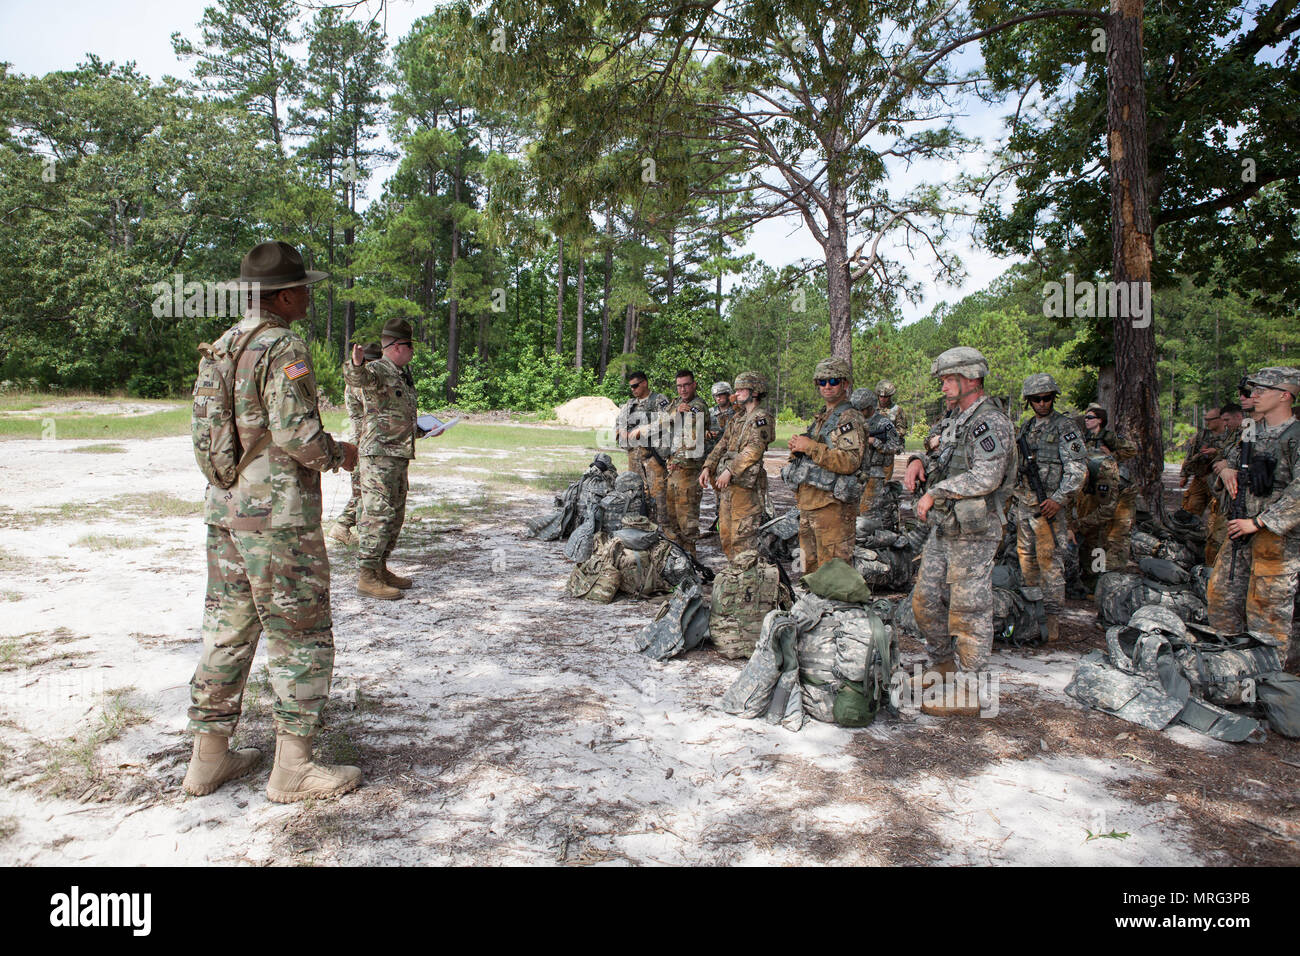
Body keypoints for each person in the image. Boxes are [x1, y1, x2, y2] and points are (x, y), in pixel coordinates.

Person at [184, 240, 362, 803]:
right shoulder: (283, 346)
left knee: (228, 627)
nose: (308, 295)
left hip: (227, 510)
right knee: (301, 630)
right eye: (304, 287)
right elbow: (297, 436)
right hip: (278, 519)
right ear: (285, 296)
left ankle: (208, 760)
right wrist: (340, 455)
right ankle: (293, 769)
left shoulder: (226, 343)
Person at [903, 347, 1015, 716]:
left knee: (969, 609)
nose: (944, 386)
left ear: (972, 379)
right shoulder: (954, 417)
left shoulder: (990, 422)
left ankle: (970, 690)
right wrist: (917, 461)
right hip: (947, 526)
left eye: (950, 379)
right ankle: (942, 666)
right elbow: (933, 448)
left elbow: (987, 476)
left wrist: (936, 491)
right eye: (943, 380)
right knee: (925, 599)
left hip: (975, 530)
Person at [1207, 367, 1300, 668]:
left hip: (1277, 541)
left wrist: (1259, 522)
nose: (1253, 395)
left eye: (1262, 390)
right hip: (1239, 534)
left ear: (1285, 395)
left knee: (1268, 616)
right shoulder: (1251, 431)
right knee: (1222, 602)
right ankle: (1229, 673)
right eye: (1253, 390)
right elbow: (1222, 461)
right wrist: (1225, 470)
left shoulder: (1295, 437)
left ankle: (1268, 686)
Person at [344, 318, 426, 601]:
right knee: (378, 514)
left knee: (395, 515)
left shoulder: (402, 373)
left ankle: (380, 567)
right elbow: (359, 379)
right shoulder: (377, 369)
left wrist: (421, 430)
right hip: (378, 455)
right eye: (409, 346)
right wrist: (356, 365)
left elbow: (396, 412)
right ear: (397, 346)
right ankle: (366, 575)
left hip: (397, 453)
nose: (412, 352)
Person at [1012, 373, 1086, 643]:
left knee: (1050, 564)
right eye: (1036, 399)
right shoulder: (1026, 428)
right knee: (1026, 560)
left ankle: (1052, 621)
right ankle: (1033, 615)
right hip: (1025, 503)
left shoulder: (1065, 427)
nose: (1042, 403)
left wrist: (1059, 498)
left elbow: (1077, 469)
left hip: (1049, 507)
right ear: (1029, 401)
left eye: (1046, 398)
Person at [784, 358, 866, 575]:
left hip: (832, 508)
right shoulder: (822, 418)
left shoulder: (849, 418)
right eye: (822, 382)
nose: (827, 386)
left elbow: (850, 461)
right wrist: (799, 449)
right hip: (809, 505)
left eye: (833, 381)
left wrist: (811, 447)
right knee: (809, 571)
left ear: (845, 384)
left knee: (833, 576)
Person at [701, 372, 776, 560]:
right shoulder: (738, 418)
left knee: (743, 540)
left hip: (746, 488)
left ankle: (747, 582)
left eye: (742, 389)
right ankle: (735, 579)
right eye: (737, 389)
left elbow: (754, 449)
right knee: (726, 536)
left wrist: (729, 470)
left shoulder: (762, 418)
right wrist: (708, 467)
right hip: (729, 488)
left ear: (755, 391)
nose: (738, 393)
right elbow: (722, 444)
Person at [329, 342, 382, 546]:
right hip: (362, 442)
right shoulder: (360, 384)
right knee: (363, 492)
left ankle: (343, 526)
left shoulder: (360, 381)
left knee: (364, 491)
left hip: (366, 441)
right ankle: (356, 532)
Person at [1080, 403, 1137, 578]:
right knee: (1092, 533)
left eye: (1090, 418)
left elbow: (1131, 449)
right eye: (1085, 418)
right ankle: (1091, 573)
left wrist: (1112, 456)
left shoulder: (1109, 436)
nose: (1086, 421)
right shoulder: (1086, 438)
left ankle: (1106, 573)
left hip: (1112, 487)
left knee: (1110, 534)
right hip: (1093, 487)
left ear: (1100, 420)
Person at [615, 372, 671, 525]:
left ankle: (662, 528)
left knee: (658, 495)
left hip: (653, 456)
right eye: (631, 387)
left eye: (635, 386)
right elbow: (618, 422)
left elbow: (666, 420)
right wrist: (622, 431)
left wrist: (643, 430)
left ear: (644, 383)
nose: (633, 390)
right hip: (635, 456)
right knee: (636, 493)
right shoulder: (630, 404)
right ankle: (640, 526)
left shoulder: (659, 400)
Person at [663, 370, 709, 555]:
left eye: (686, 385)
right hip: (672, 471)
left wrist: (677, 460)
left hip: (688, 472)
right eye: (679, 386)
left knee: (687, 524)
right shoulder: (676, 404)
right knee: (672, 523)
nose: (682, 389)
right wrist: (675, 413)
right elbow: (661, 421)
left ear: (694, 384)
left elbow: (692, 437)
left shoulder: (698, 406)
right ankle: (678, 563)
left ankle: (691, 563)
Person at [850, 387, 906, 517]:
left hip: (874, 472)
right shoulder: (853, 421)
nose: (859, 412)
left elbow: (897, 447)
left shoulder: (883, 423)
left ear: (870, 407)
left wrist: (875, 442)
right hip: (854, 472)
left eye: (862, 409)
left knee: (868, 513)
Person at [1205, 402, 1245, 566]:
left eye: (1227, 420)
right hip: (1224, 498)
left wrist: (1227, 465)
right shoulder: (1232, 435)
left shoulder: (1248, 434)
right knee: (1213, 536)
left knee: (1221, 540)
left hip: (1236, 500)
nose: (1225, 424)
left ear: (1238, 416)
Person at [1178, 406, 1228, 519]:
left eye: (1209, 420)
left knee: (1217, 513)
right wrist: (1184, 476)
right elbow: (1190, 455)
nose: (1207, 423)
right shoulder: (1202, 435)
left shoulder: (1230, 436)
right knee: (1190, 508)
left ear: (1220, 419)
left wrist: (1216, 452)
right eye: (1205, 420)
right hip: (1200, 479)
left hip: (1218, 481)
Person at [702, 381, 737, 535]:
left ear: (728, 394)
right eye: (716, 395)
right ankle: (720, 519)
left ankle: (729, 520)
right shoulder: (710, 413)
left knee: (731, 491)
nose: (718, 398)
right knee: (717, 491)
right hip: (713, 458)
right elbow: (699, 428)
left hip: (730, 459)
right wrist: (706, 433)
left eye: (721, 394)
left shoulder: (736, 413)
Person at [876, 380, 908, 480]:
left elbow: (902, 429)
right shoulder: (871, 408)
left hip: (888, 448)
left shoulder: (897, 410)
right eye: (881, 396)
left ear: (890, 396)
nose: (883, 399)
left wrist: (888, 435)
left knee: (885, 477)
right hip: (872, 447)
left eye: (885, 397)